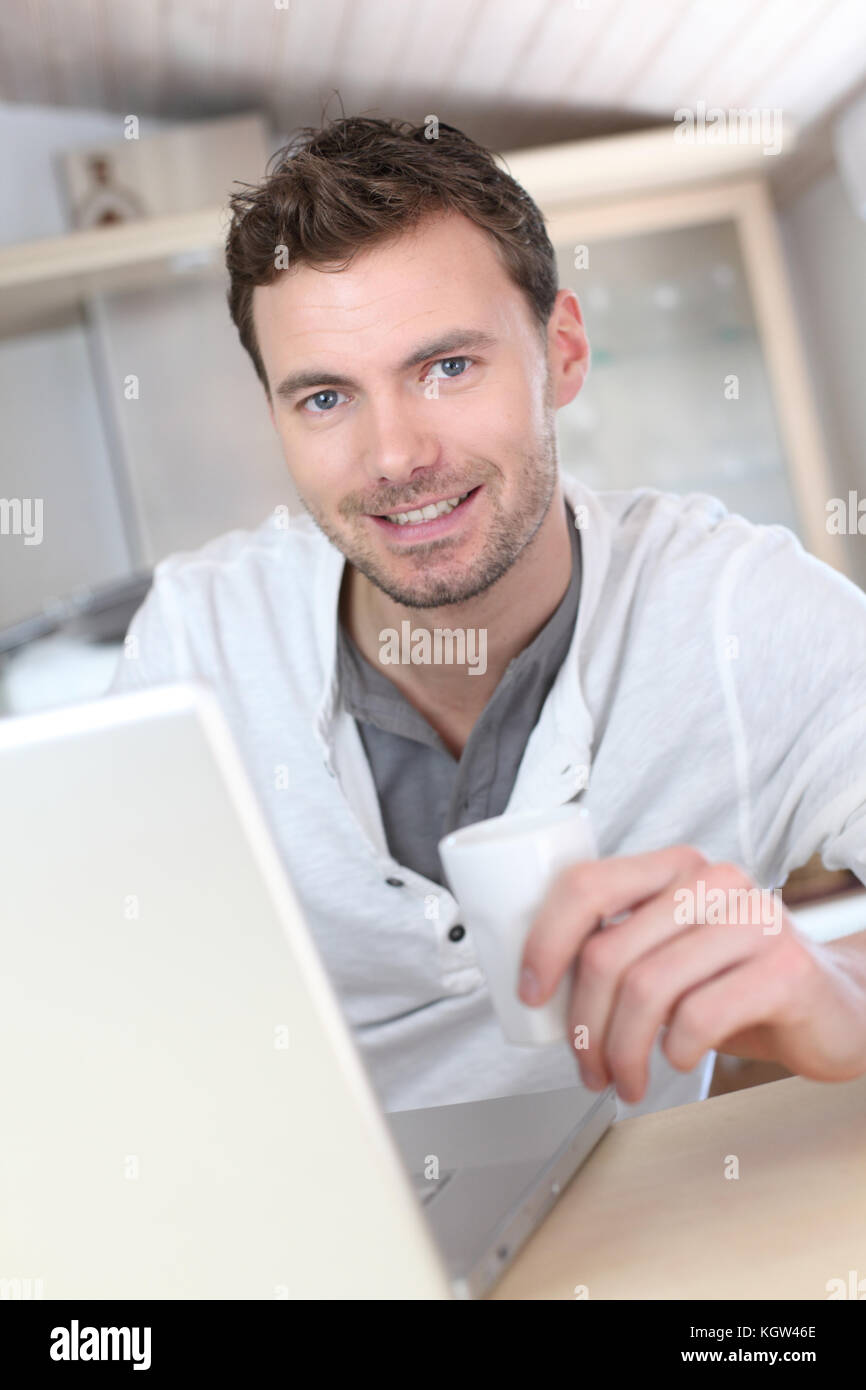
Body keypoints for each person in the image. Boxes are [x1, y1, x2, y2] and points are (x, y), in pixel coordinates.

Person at [107, 117, 866, 1120]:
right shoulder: (196, 641)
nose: (394, 456)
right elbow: (97, 986)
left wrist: (843, 996)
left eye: (448, 368)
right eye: (326, 397)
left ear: (561, 352)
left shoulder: (743, 614)